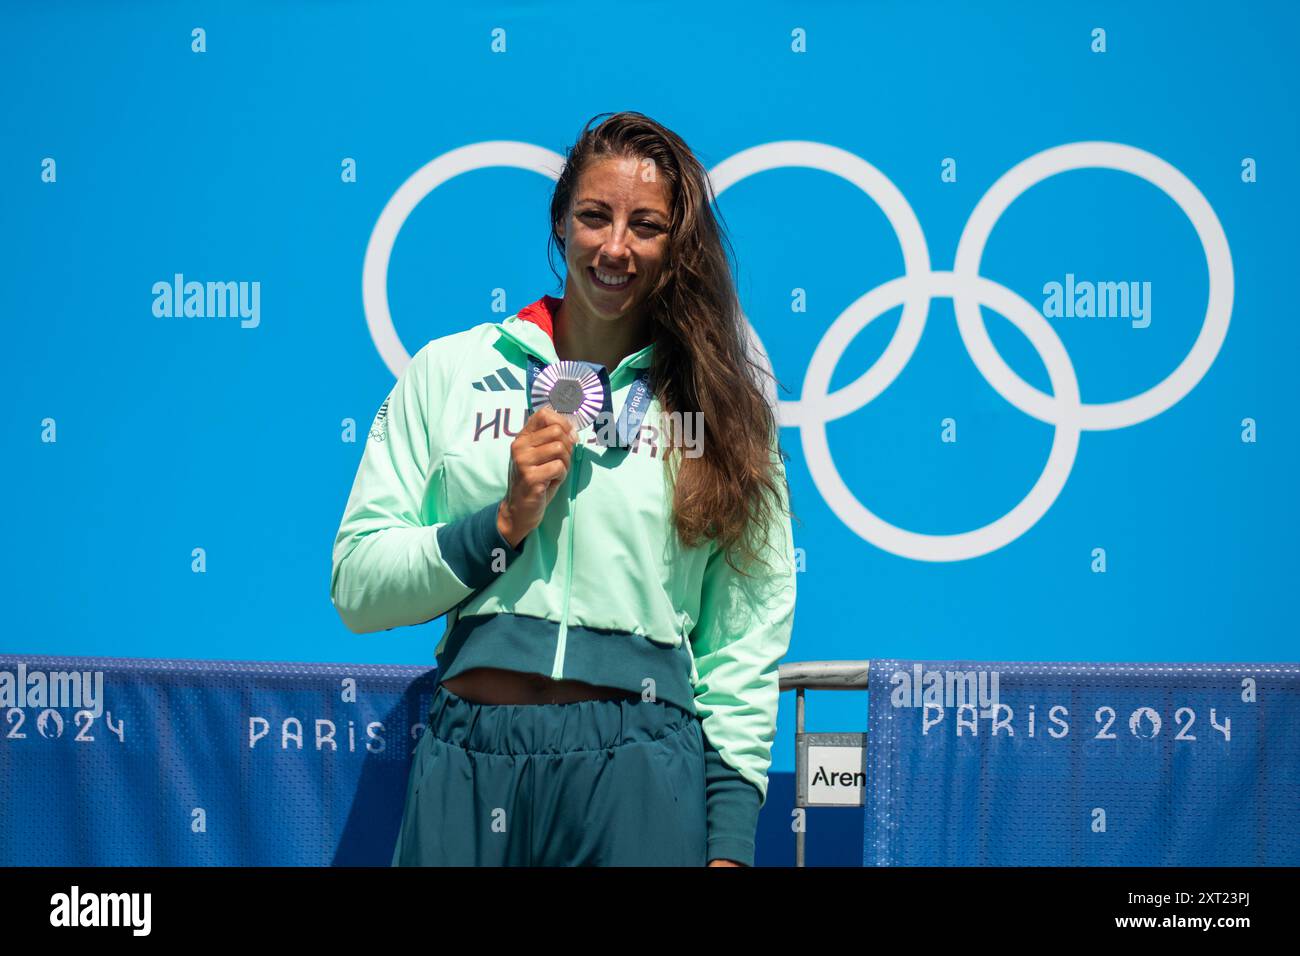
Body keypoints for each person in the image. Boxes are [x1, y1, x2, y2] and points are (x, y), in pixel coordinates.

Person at [330, 110, 798, 866]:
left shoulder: (725, 414)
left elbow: (742, 647)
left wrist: (729, 845)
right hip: (470, 754)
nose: (616, 247)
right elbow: (358, 586)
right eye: (594, 217)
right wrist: (502, 524)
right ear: (559, 224)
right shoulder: (448, 372)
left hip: (640, 767)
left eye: (645, 226)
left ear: (676, 246)